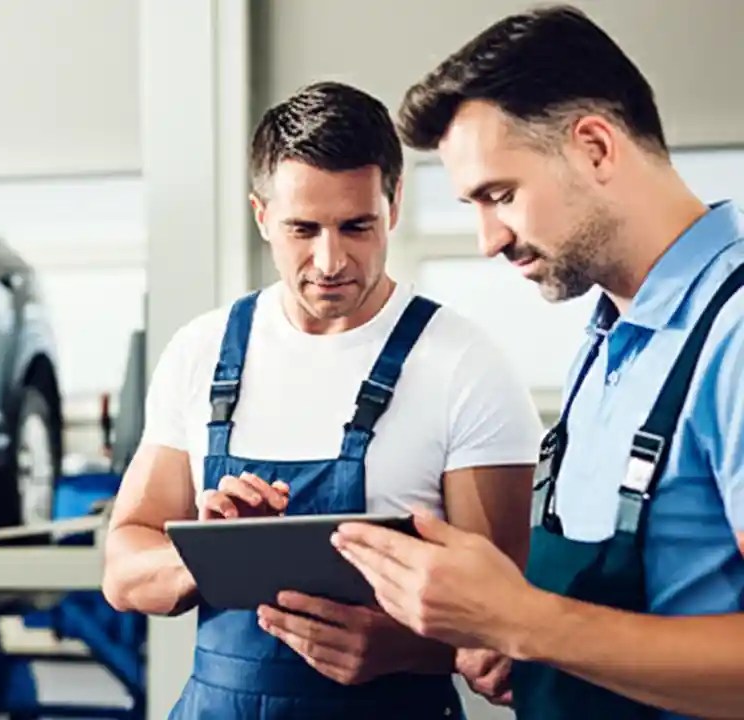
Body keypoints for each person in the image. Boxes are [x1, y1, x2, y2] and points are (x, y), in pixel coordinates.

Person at [331, 5, 744, 720]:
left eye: (501, 196)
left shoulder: (733, 334)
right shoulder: (607, 333)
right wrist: (516, 643)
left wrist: (524, 621)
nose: (488, 239)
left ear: (595, 148)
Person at [101, 80, 544, 718]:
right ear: (261, 216)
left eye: (356, 226)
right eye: (302, 229)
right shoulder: (202, 352)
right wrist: (219, 556)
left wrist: (407, 649)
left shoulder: (467, 368)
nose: (330, 260)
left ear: (393, 205)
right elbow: (123, 574)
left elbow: (505, 632)